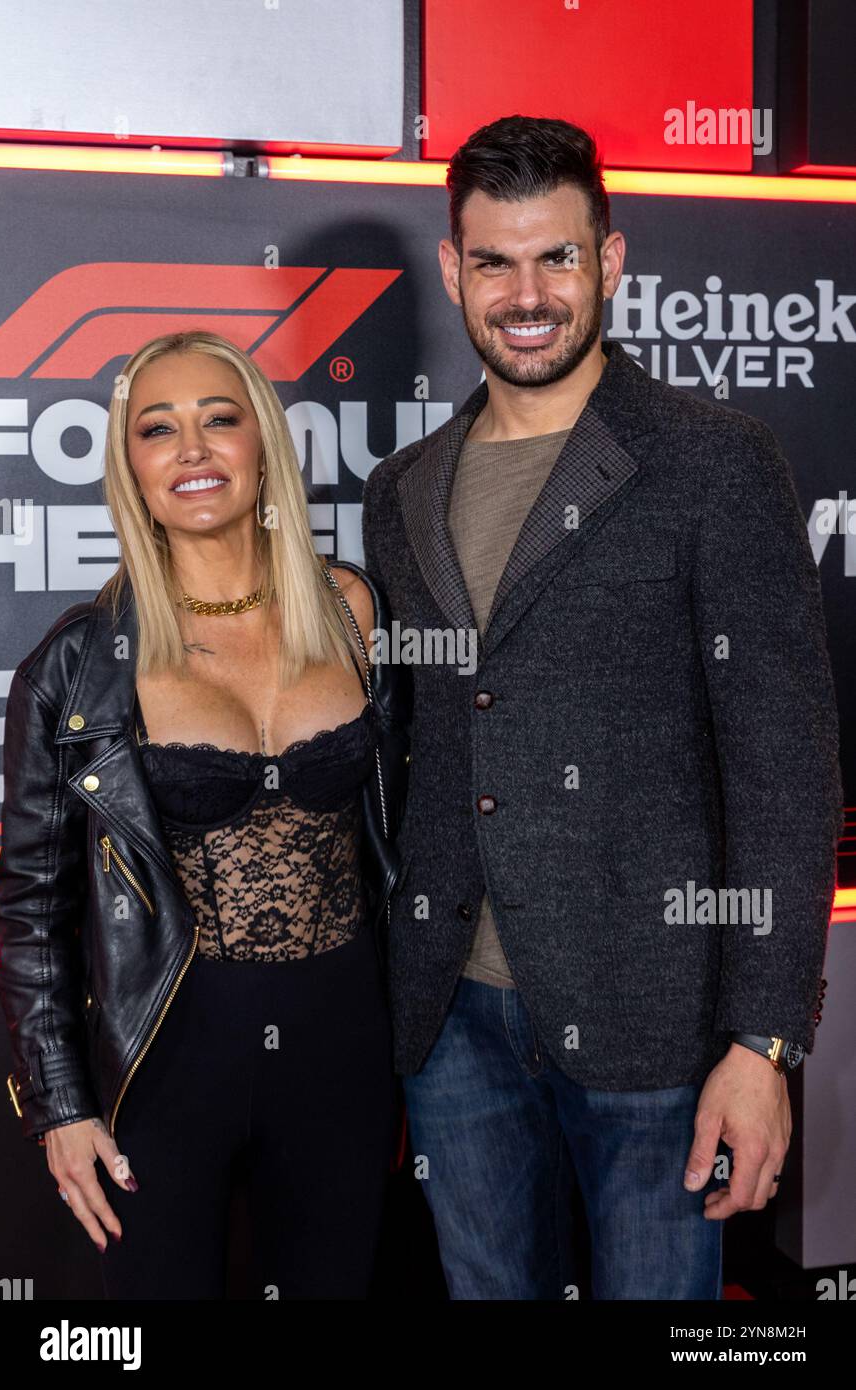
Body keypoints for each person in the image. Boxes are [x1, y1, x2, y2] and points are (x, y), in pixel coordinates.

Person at [361, 115, 843, 1300]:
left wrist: (761, 1041)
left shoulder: (714, 463)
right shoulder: (400, 490)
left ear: (611, 261)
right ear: (450, 270)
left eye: (556, 258)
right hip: (451, 1026)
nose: (526, 295)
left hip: (657, 1031)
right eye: (493, 261)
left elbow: (784, 771)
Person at [0, 328, 408, 1300]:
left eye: (219, 419)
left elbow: (403, 830)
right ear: (130, 468)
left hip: (343, 1049)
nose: (191, 449)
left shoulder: (354, 610)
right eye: (157, 428)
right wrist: (58, 1105)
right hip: (164, 1060)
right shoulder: (81, 662)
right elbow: (29, 907)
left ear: (262, 441)